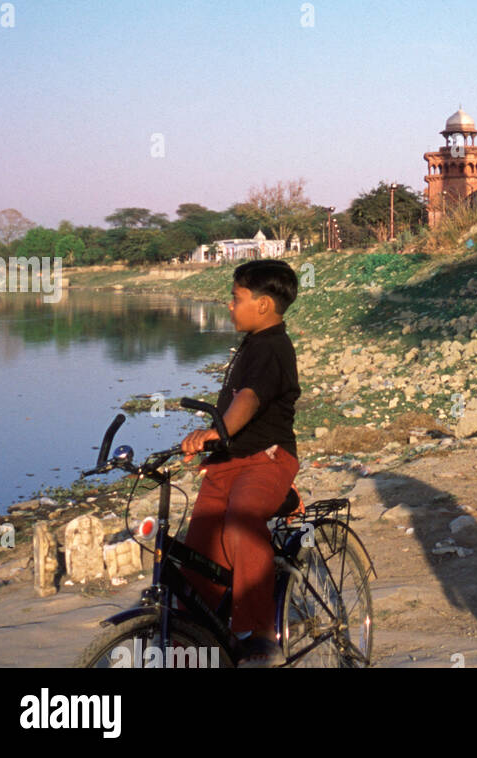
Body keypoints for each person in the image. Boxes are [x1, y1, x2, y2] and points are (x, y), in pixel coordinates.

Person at [181, 258, 301, 667]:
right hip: (228, 464)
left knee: (239, 526)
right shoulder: (251, 343)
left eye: (235, 299)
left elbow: (248, 398)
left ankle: (261, 635)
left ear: (264, 305)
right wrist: (209, 444)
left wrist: (219, 432)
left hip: (266, 461)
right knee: (196, 554)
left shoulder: (273, 347)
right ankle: (191, 639)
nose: (229, 306)